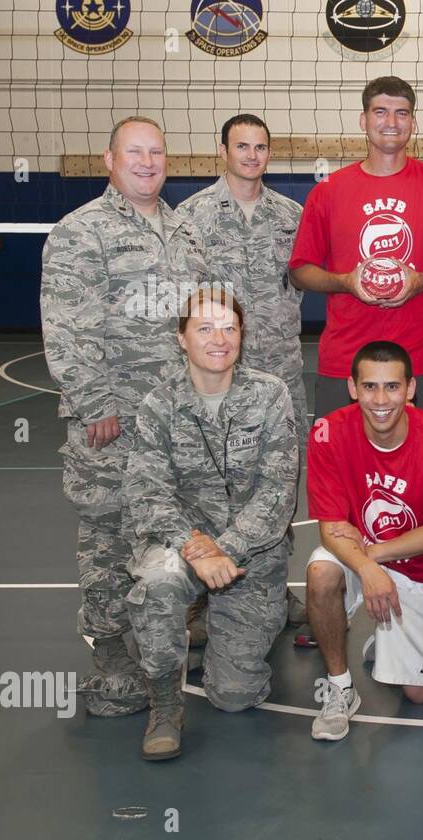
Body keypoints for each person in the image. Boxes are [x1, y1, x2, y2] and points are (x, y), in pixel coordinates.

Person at [41, 115, 210, 718]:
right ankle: (112, 657)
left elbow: (202, 320)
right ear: (109, 160)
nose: (147, 162)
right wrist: (94, 404)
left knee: (170, 529)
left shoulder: (183, 231)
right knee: (108, 539)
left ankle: (164, 636)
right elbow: (66, 327)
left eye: (156, 152)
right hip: (112, 423)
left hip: (176, 423)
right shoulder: (80, 231)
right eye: (134, 153)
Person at [123, 289, 298, 760]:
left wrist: (228, 549)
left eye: (230, 328)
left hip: (249, 556)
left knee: (234, 696)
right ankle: (164, 706)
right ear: (181, 337)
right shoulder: (159, 404)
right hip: (184, 547)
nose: (219, 339)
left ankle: (240, 617)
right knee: (156, 586)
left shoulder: (270, 395)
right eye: (204, 328)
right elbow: (148, 493)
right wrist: (196, 549)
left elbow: (278, 492)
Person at [304, 342, 423, 740]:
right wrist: (366, 567)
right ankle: (340, 688)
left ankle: (394, 642)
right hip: (356, 555)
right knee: (320, 574)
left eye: (392, 387)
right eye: (369, 387)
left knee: (419, 694)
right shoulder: (329, 432)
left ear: (411, 388)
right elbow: (330, 528)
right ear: (352, 388)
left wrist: (374, 553)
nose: (380, 400)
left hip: (416, 564)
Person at [178, 112, 308, 636]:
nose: (251, 156)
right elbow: (184, 302)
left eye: (260, 147)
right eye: (242, 146)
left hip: (280, 379)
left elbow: (298, 283)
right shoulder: (192, 216)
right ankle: (202, 598)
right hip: (217, 377)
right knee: (209, 485)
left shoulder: (291, 215)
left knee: (277, 486)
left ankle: (271, 590)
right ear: (223, 150)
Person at [289, 76, 423, 416]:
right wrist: (345, 282)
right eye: (380, 111)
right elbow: (299, 272)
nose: (391, 122)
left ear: (413, 122)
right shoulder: (329, 191)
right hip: (346, 360)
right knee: (340, 466)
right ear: (364, 121)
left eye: (402, 113)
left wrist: (421, 282)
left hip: (420, 360)